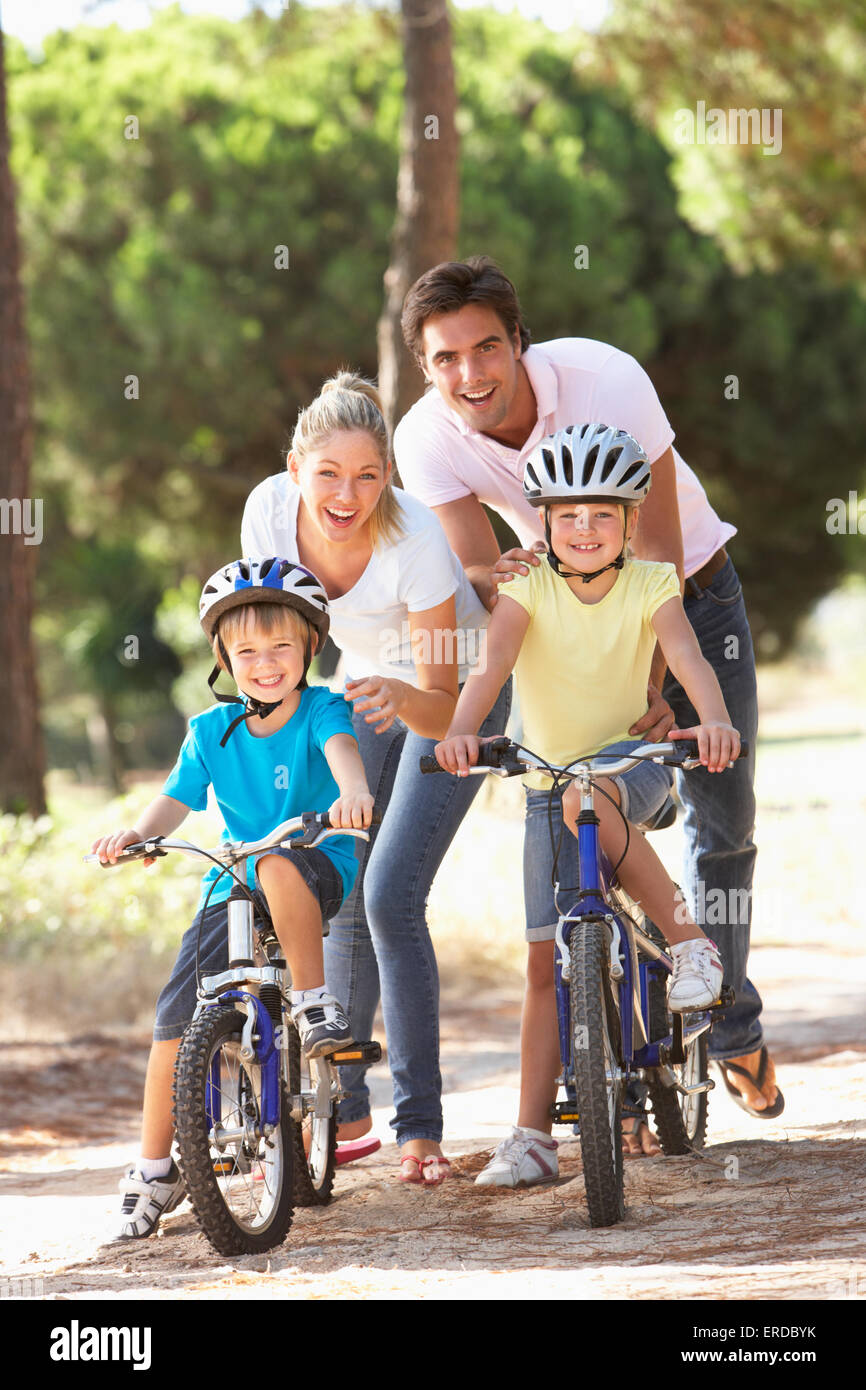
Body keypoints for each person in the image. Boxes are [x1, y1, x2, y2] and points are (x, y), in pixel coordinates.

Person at [394, 256, 781, 1145]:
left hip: (688, 593)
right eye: (446, 358)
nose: (471, 374)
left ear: (518, 341)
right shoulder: (426, 440)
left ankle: (731, 1024)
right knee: (576, 819)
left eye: (487, 348)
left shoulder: (606, 377)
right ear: (425, 366)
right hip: (562, 617)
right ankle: (621, 1072)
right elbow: (485, 572)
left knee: (722, 821)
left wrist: (657, 690)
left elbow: (661, 546)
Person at [434, 423, 736, 1187]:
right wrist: (464, 734)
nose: (585, 529)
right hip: (544, 781)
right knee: (544, 963)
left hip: (632, 768)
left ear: (631, 522)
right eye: (567, 515)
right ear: (542, 522)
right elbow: (490, 664)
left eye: (604, 515)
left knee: (588, 796)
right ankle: (532, 1138)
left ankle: (690, 942)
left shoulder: (652, 583)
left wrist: (715, 719)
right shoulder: (525, 589)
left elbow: (690, 657)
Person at [241, 372, 510, 1184]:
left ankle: (419, 1128)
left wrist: (402, 695)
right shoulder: (266, 513)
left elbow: (438, 705)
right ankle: (344, 1111)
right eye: (328, 474)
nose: (347, 495)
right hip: (362, 689)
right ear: (296, 469)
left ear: (387, 476)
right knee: (341, 883)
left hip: (457, 698)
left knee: (392, 894)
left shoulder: (414, 541)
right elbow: (272, 653)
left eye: (367, 476)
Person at [93, 558, 373, 1239]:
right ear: (223, 657)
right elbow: (174, 802)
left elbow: (342, 756)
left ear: (311, 645)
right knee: (173, 1015)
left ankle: (312, 1003)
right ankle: (157, 1167)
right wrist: (138, 833)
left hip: (313, 862)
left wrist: (355, 793)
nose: (265, 663)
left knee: (274, 861)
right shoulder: (209, 731)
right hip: (235, 881)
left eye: (282, 647)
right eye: (246, 650)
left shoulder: (321, 709)